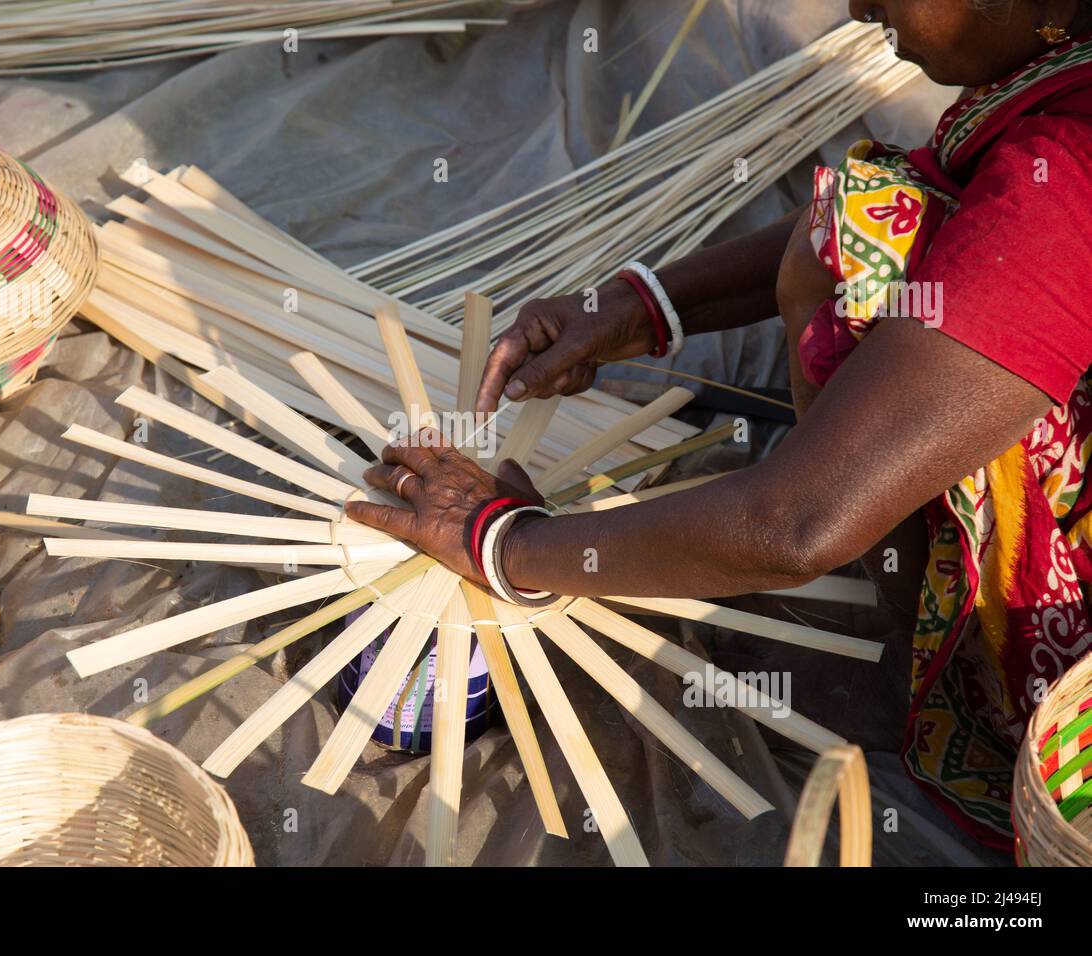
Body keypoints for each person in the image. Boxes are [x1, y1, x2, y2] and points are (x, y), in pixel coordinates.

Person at [346, 0, 1092, 848]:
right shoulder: (1056, 80)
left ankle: (954, 682)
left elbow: (796, 523)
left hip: (1071, 676)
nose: (856, 7)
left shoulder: (1071, 170)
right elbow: (937, 217)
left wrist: (505, 543)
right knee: (864, 214)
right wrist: (637, 307)